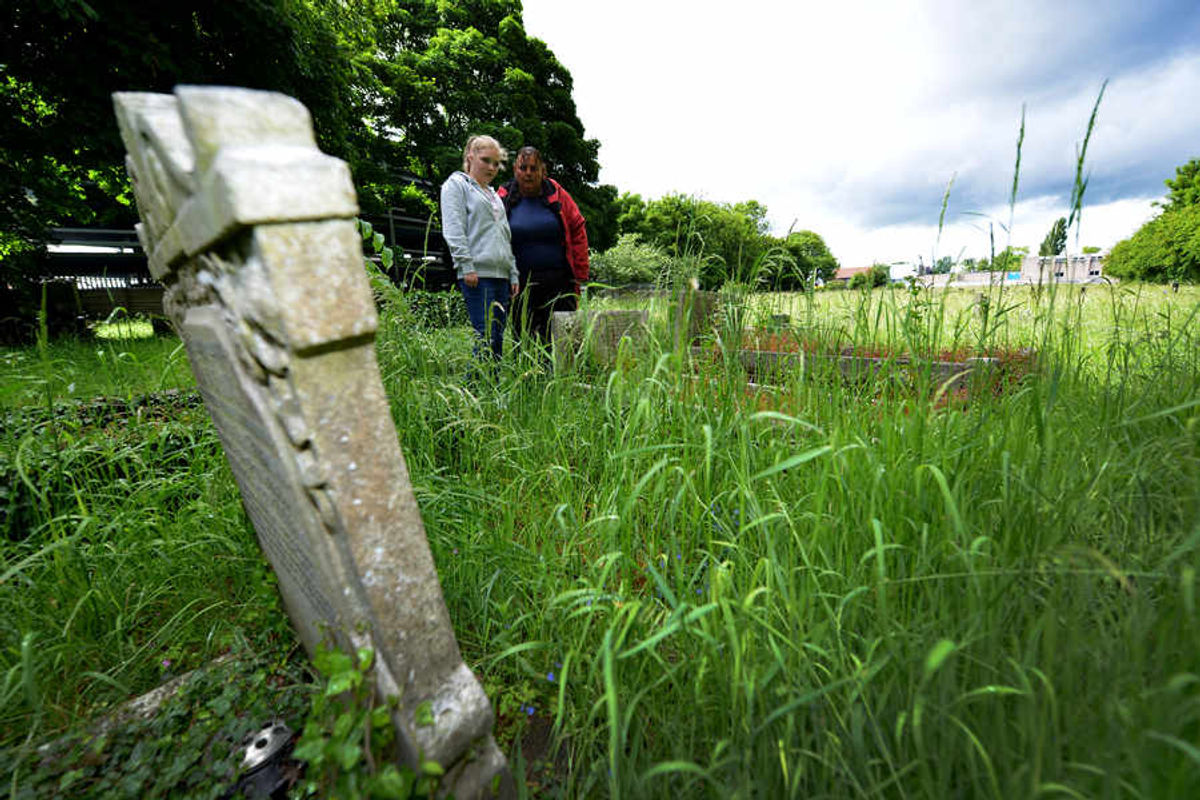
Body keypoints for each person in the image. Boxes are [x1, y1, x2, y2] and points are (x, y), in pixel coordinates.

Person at [497, 146, 589, 351]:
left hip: (560, 280)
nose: (528, 173)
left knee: (565, 339)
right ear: (515, 169)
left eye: (533, 168)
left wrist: (581, 274)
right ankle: (530, 380)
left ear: (543, 170)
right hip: (520, 282)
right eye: (523, 168)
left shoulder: (556, 193)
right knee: (525, 339)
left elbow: (577, 229)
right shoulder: (503, 197)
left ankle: (567, 379)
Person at [440, 135, 520, 361]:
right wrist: (466, 265)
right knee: (485, 337)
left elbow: (505, 235)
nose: (492, 168)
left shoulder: (494, 195)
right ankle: (471, 392)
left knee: (497, 339)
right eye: (486, 160)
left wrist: (512, 273)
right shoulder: (456, 186)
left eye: (496, 163)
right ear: (470, 157)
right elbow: (454, 228)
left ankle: (493, 392)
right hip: (477, 275)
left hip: (502, 277)